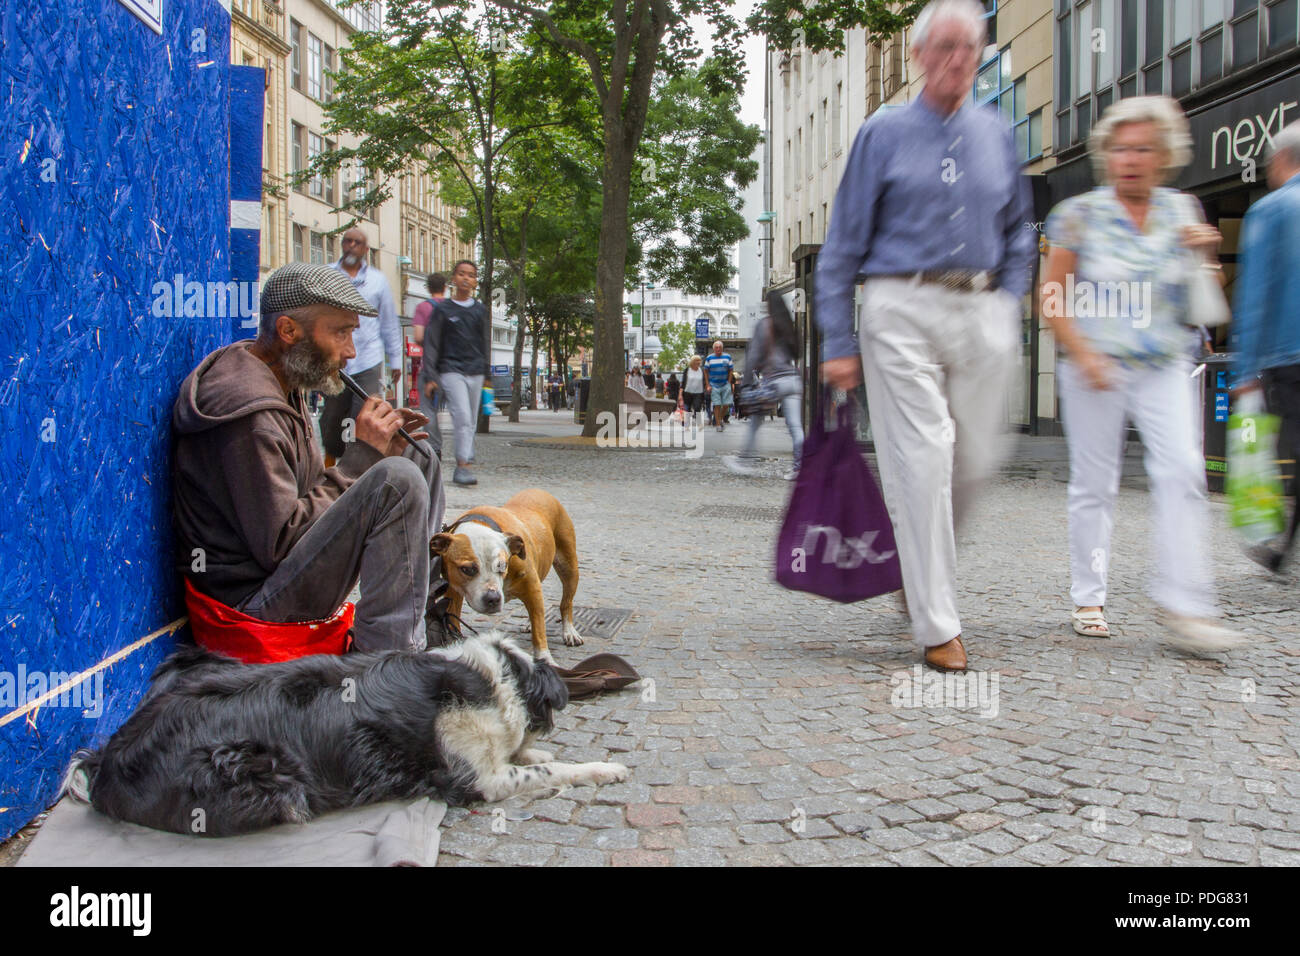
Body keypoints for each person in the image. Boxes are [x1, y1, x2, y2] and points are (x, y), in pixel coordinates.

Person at [815, 0, 1035, 673]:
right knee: (926, 454)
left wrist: (1010, 297)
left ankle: (917, 573)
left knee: (975, 460)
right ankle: (938, 623)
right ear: (918, 57)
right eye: (943, 47)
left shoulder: (997, 132)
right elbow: (842, 242)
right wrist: (836, 339)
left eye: (969, 47)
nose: (957, 59)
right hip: (899, 303)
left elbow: (1022, 226)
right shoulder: (882, 133)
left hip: (980, 305)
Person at [1041, 95, 1248, 653]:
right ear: (1106, 154)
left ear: (1165, 156)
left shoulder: (1183, 210)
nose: (1131, 158)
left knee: (1183, 471)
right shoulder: (1078, 215)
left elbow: (1202, 301)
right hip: (1095, 365)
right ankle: (1089, 596)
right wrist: (1083, 354)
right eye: (1121, 148)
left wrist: (1206, 257)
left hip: (1163, 362)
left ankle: (1185, 604)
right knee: (1094, 485)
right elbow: (1053, 298)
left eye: (1144, 149)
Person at [171, 263, 445, 652]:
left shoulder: (285, 376)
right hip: (250, 609)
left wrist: (380, 449)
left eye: (352, 334)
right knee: (396, 480)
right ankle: (386, 666)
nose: (350, 353)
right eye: (340, 333)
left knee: (420, 456)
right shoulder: (251, 416)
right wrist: (362, 458)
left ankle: (420, 618)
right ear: (288, 331)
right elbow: (281, 545)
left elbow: (310, 491)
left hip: (279, 578)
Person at [1232, 120, 1300, 573]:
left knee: (1291, 450)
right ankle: (1280, 552)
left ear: (1280, 160)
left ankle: (1278, 549)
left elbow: (1255, 294)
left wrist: (1244, 369)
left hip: (1287, 357)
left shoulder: (1272, 211)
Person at [319, 228, 402, 468]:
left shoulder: (378, 281)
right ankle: (330, 461)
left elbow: (388, 322)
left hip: (368, 359)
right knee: (333, 417)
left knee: (365, 414)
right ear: (342, 245)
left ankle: (360, 468)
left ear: (366, 250)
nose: (351, 246)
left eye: (358, 243)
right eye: (347, 241)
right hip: (335, 359)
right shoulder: (327, 275)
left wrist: (395, 359)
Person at [423, 259, 490, 486]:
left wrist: (487, 372)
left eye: (470, 275)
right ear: (453, 278)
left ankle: (466, 458)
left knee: (470, 420)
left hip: (475, 370)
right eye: (461, 273)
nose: (465, 278)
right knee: (462, 416)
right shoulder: (442, 310)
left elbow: (485, 341)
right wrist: (431, 377)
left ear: (475, 281)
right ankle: (462, 466)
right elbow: (431, 343)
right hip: (451, 370)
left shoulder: (480, 310)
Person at [725, 290, 805, 480]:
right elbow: (796, 354)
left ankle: (745, 460)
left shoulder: (764, 325)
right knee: (795, 426)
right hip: (794, 380)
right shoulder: (789, 326)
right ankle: (800, 466)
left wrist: (745, 384)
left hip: (774, 382)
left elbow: (753, 357)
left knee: (755, 421)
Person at [413, 273, 447, 459]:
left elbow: (418, 336)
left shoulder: (423, 308)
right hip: (452, 368)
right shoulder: (452, 308)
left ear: (428, 288)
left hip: (430, 367)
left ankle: (434, 448)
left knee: (428, 410)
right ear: (445, 287)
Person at [704, 340, 734, 431]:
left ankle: (720, 419)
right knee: (717, 405)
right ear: (713, 349)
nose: (718, 349)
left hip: (725, 384)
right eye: (716, 347)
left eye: (719, 347)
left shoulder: (727, 357)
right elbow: (706, 371)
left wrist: (729, 382)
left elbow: (731, 370)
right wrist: (708, 384)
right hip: (714, 385)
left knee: (726, 405)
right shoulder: (709, 358)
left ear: (722, 348)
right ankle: (717, 425)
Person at [683, 355, 707, 423]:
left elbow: (705, 380)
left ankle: (698, 423)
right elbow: (684, 382)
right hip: (687, 392)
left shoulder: (702, 370)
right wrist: (680, 393)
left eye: (699, 360)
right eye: (697, 360)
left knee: (697, 407)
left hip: (699, 392)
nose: (698, 362)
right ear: (693, 362)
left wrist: (707, 387)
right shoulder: (687, 370)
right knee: (687, 408)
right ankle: (686, 423)